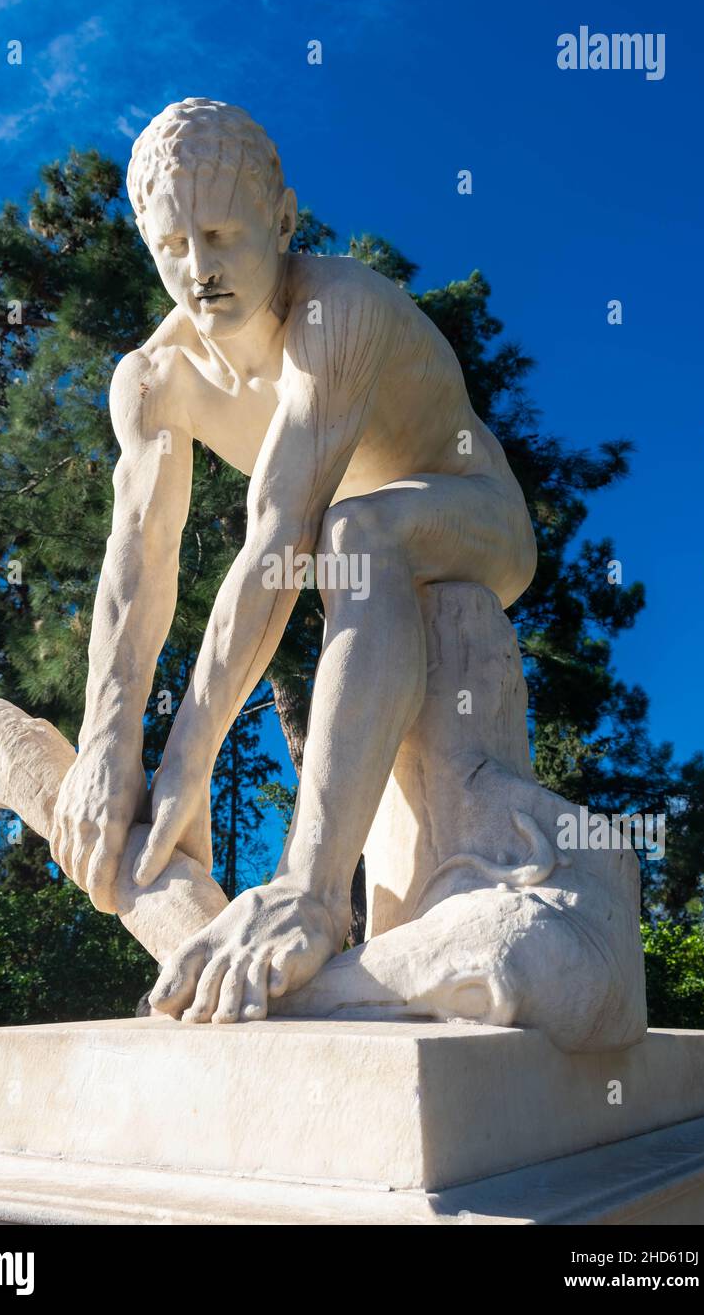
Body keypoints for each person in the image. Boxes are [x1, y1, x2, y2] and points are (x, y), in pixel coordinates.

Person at [50, 98, 537, 1024]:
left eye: (221, 234)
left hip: (480, 520)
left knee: (357, 534)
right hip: (364, 550)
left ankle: (312, 892)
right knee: (354, 538)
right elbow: (137, 560)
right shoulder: (152, 380)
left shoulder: (339, 311)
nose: (198, 271)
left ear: (283, 220)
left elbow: (279, 540)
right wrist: (110, 747)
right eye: (171, 246)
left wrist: (186, 763)